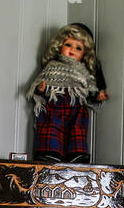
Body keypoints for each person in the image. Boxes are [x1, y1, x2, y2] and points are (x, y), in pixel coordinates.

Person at [25, 23, 108, 163]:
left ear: (84, 54)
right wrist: (43, 89)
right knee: (51, 126)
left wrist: (96, 95)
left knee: (77, 129)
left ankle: (77, 153)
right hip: (55, 104)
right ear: (59, 46)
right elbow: (41, 86)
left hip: (76, 106)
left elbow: (88, 88)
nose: (72, 50)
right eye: (68, 45)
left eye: (78, 48)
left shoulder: (83, 72)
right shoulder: (52, 66)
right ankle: (50, 151)